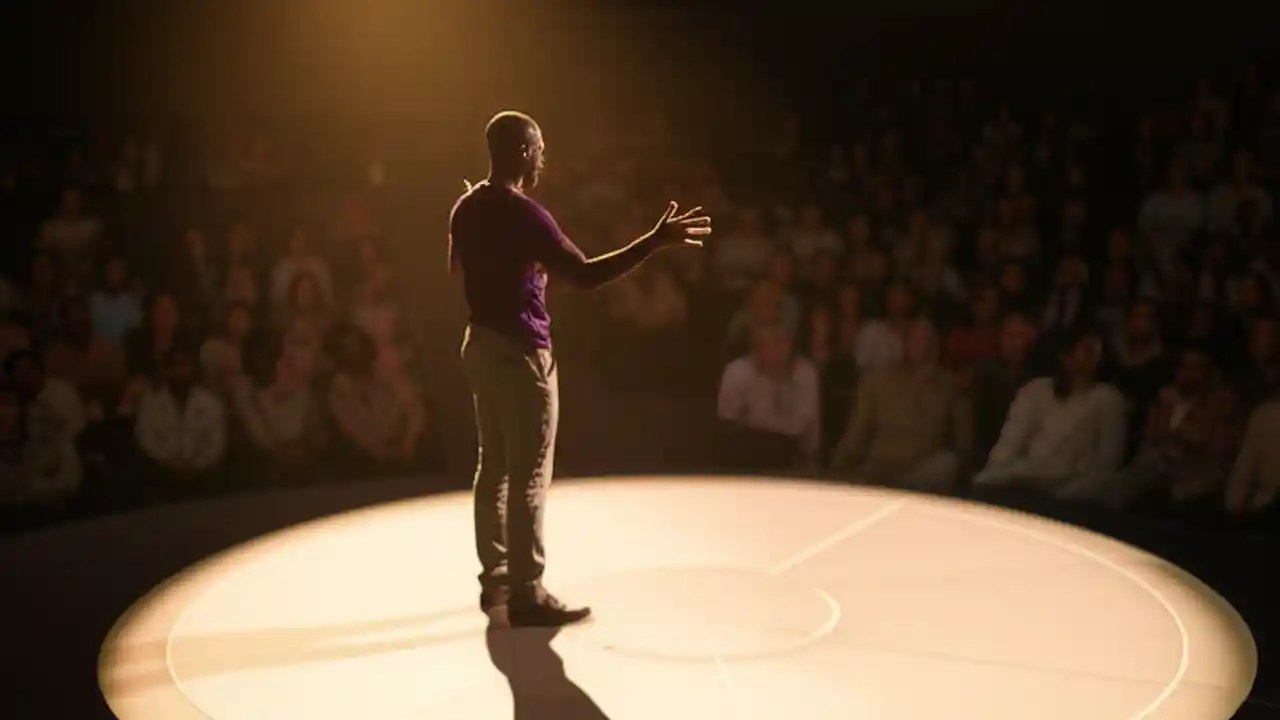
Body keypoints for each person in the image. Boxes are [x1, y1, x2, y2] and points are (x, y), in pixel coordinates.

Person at [448, 111, 711, 626]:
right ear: (524, 152)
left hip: (479, 344)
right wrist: (653, 242)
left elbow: (457, 271)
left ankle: (496, 582)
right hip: (522, 353)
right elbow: (587, 275)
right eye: (540, 148)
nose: (543, 157)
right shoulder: (526, 215)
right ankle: (528, 593)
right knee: (528, 475)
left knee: (493, 466)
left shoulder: (466, 207)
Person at [972, 325, 1127, 503]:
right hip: (1027, 474)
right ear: (1064, 354)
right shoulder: (1036, 389)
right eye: (1084, 349)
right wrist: (994, 473)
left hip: (1074, 485)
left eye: (1094, 351)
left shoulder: (1108, 398)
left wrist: (1064, 496)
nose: (1088, 357)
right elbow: (1010, 442)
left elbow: (1106, 464)